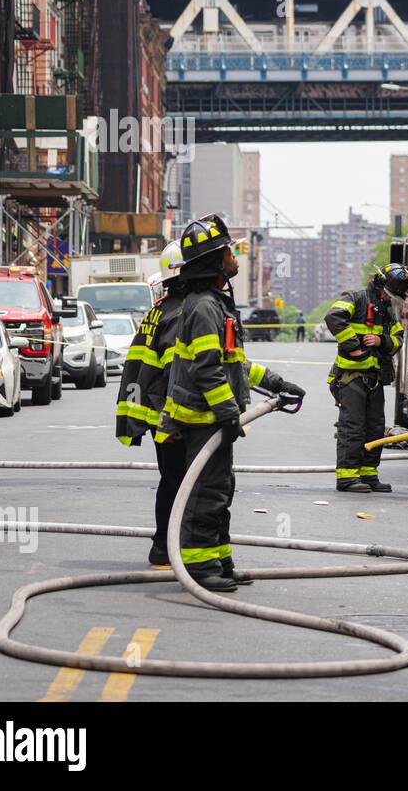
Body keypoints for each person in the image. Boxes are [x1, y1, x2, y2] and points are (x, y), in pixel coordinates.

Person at [156, 214, 305, 591]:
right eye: (228, 251)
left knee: (220, 491)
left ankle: (220, 560)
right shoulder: (205, 307)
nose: (234, 257)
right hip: (201, 420)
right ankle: (199, 568)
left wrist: (276, 383)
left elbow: (234, 364)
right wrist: (228, 415)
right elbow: (207, 371)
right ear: (214, 261)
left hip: (212, 420)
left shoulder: (215, 304)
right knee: (205, 493)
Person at [115, 240, 188, 568]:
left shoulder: (162, 308)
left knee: (172, 480)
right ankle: (168, 547)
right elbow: (180, 372)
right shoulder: (183, 313)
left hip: (161, 413)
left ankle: (165, 547)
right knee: (181, 482)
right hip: (174, 415)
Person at [323, 263, 408, 493]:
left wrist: (382, 341)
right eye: (389, 292)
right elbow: (333, 317)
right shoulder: (356, 298)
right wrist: (353, 346)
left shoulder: (389, 308)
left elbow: (398, 338)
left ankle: (368, 474)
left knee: (375, 428)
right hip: (351, 377)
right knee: (353, 428)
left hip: (375, 378)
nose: (390, 298)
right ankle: (347, 477)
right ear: (380, 284)